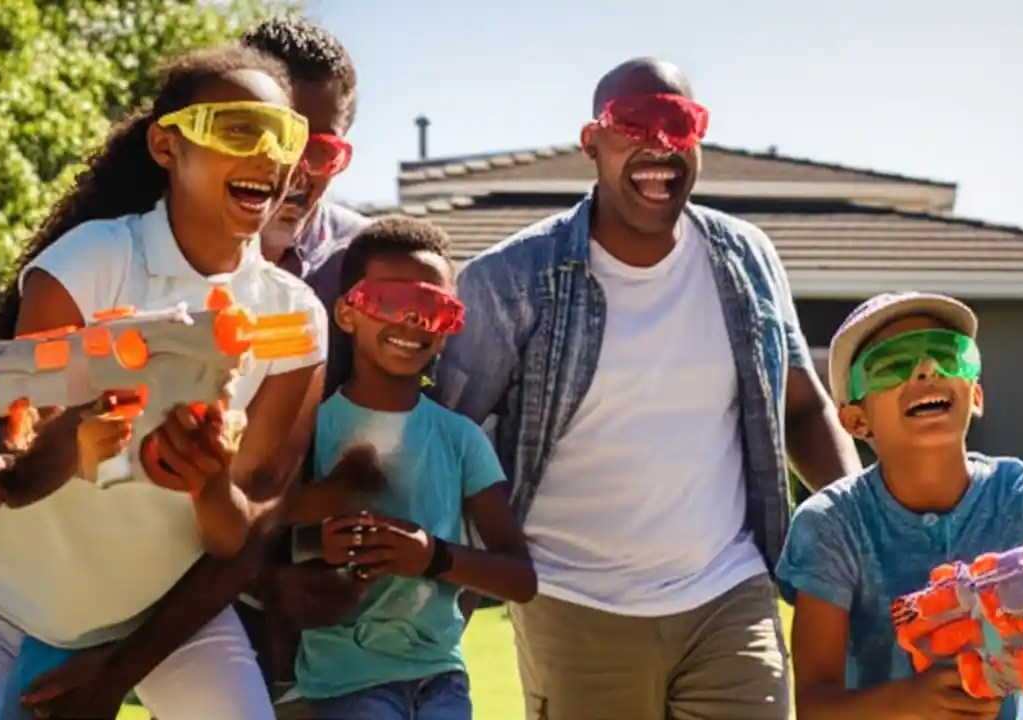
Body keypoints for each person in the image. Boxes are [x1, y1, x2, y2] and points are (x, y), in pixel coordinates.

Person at [0, 44, 329, 720]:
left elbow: (238, 540)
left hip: (154, 617)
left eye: (285, 136)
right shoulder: (92, 260)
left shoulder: (294, 317)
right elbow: (14, 465)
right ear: (167, 147)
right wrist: (77, 440)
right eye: (237, 128)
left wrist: (207, 481)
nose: (269, 155)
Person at [431, 56, 862, 720]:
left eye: (678, 123)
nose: (659, 144)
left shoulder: (747, 257)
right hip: (574, 601)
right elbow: (440, 439)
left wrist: (862, 537)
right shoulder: (510, 280)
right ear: (592, 142)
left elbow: (801, 410)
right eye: (633, 123)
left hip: (729, 591)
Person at [776, 291, 1023, 720]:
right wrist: (911, 702)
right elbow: (814, 704)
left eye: (948, 355)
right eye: (893, 364)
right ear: (854, 420)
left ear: (975, 393)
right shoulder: (830, 525)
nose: (926, 370)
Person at [293, 215, 536, 719]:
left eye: (433, 309)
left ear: (449, 330)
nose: (410, 322)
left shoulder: (459, 438)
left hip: (443, 682)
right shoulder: (306, 429)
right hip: (345, 685)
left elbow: (520, 579)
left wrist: (433, 557)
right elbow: (258, 538)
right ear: (346, 313)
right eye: (389, 301)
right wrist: (320, 544)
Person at [242, 14, 368, 307]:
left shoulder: (369, 264)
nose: (295, 171)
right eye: (276, 139)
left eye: (319, 150)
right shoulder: (151, 246)